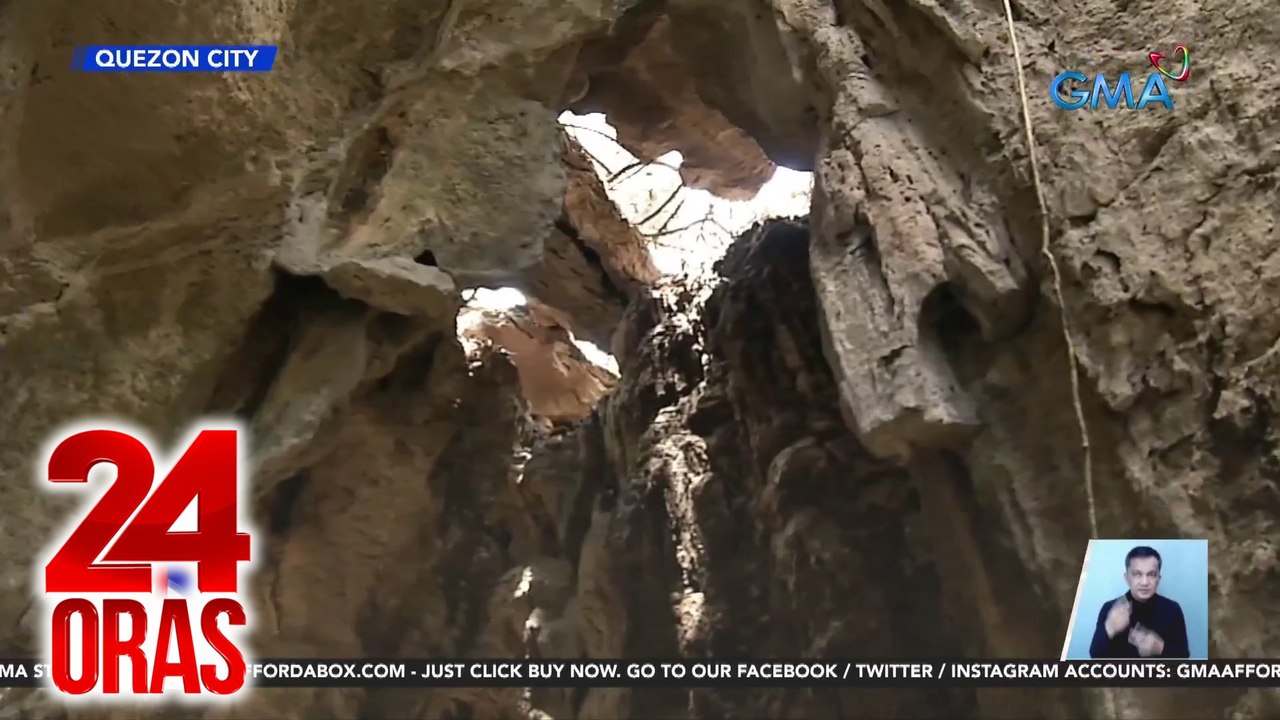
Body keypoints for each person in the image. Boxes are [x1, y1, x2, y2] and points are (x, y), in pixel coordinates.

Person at [1089, 546, 1190, 658]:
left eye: (1151, 575)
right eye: (1137, 574)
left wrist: (1160, 647)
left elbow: (1184, 656)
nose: (1144, 582)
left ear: (1159, 578)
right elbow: (1095, 656)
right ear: (1126, 578)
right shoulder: (1110, 608)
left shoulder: (1173, 609)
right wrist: (1110, 627)